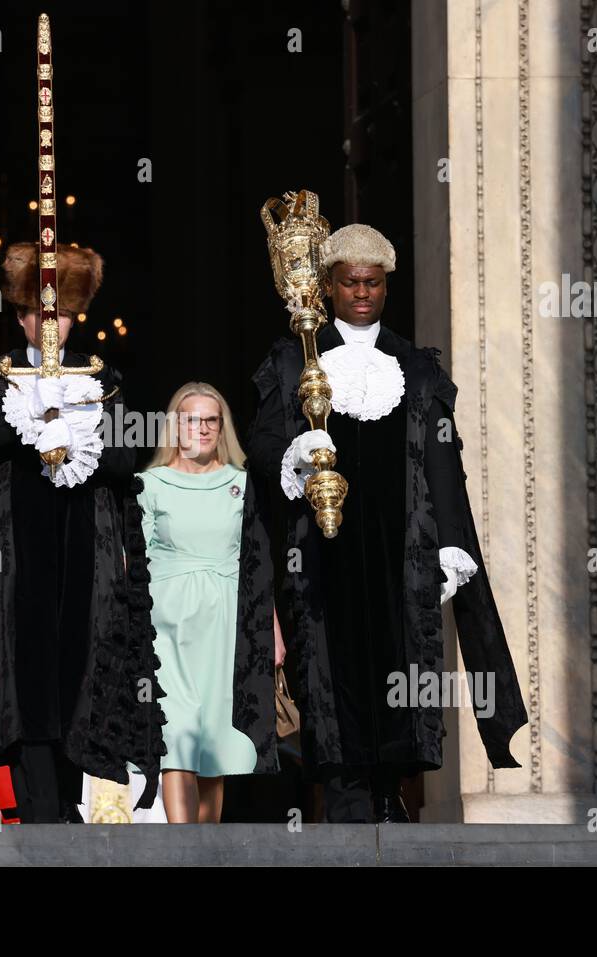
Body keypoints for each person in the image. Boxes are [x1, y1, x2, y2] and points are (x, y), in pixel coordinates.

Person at [246, 223, 527, 822]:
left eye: (373, 283)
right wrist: (294, 454)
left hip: (403, 552)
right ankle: (346, 800)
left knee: (402, 670)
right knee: (330, 672)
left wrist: (452, 545)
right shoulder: (296, 357)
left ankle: (388, 793)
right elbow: (265, 444)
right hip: (321, 557)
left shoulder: (415, 369)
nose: (363, 293)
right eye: (350, 282)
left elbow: (444, 463)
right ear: (329, 284)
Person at [0, 242, 166, 823]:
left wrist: (80, 423)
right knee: (26, 675)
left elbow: (128, 458)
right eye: (39, 315)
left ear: (75, 317)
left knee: (80, 667)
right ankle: (39, 809)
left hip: (85, 553)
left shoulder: (104, 379)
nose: (50, 325)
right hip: (15, 556)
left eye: (62, 315)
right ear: (21, 315)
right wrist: (21, 413)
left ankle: (70, 807)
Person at [138, 382, 279, 823]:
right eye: (190, 418)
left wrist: (271, 630)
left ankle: (206, 848)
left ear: (222, 428)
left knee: (214, 739)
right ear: (174, 425)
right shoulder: (149, 484)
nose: (200, 428)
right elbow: (134, 562)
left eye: (210, 420)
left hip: (227, 623)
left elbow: (258, 562)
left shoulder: (241, 484)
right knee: (175, 731)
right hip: (165, 624)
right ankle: (183, 848)